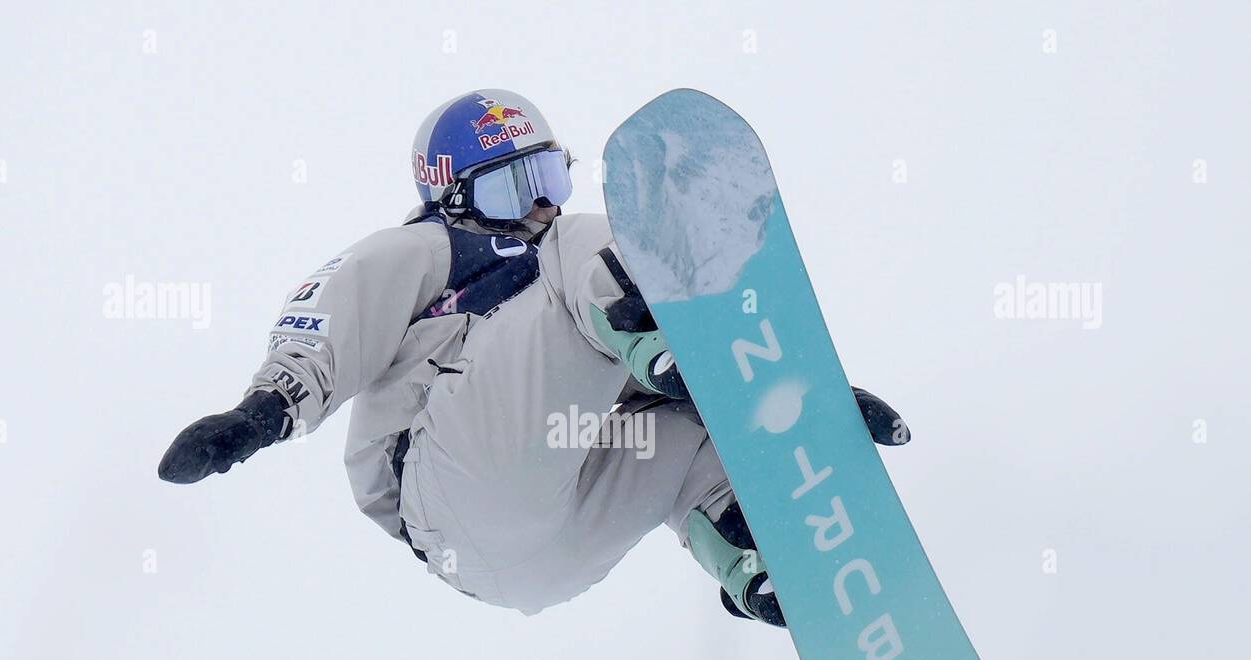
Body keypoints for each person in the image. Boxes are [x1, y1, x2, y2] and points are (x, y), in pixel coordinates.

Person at [158, 89, 910, 626]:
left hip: (544, 556)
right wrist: (259, 414)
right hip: (449, 478)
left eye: (549, 177)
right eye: (515, 184)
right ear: (454, 196)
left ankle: (752, 552)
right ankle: (683, 345)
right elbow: (332, 314)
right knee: (579, 250)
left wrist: (790, 396)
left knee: (679, 433)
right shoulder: (431, 248)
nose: (539, 204)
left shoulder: (558, 290)